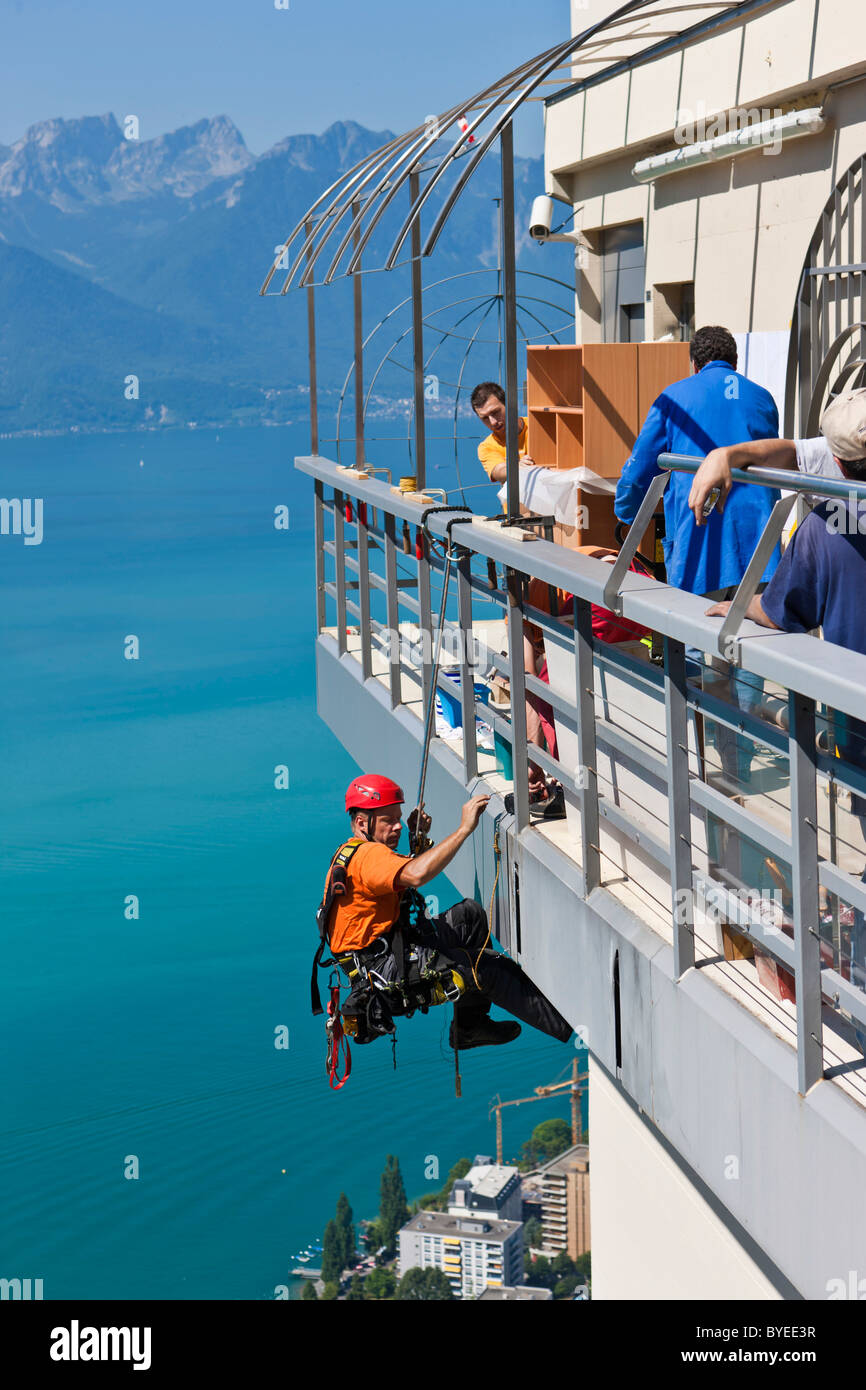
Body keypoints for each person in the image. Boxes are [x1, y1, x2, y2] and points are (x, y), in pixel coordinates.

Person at [704, 389, 866, 994]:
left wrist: (733, 607)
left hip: (857, 718)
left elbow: (782, 612)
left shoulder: (825, 529)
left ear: (839, 464)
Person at [615, 325, 782, 786]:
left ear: (693, 362)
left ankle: (698, 762)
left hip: (700, 545)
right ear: (734, 362)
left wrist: (627, 513)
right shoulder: (761, 397)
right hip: (760, 543)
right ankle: (739, 760)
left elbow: (640, 469)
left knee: (692, 645)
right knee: (747, 648)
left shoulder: (674, 397)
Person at [319, 775, 572, 1050]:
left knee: (469, 917)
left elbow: (395, 878)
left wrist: (420, 842)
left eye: (398, 819)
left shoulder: (354, 853)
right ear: (361, 823)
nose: (397, 827)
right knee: (489, 968)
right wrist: (464, 829)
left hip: (383, 955)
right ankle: (571, 1027)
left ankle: (469, 1026)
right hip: (386, 973)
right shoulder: (369, 857)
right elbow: (415, 875)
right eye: (387, 821)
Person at [685, 385, 866, 523]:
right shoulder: (841, 452)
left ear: (838, 462)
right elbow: (791, 453)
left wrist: (725, 455)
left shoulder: (820, 530)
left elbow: (791, 454)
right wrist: (725, 455)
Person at [471, 381, 534, 483]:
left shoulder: (537, 426)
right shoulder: (487, 446)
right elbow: (498, 471)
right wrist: (516, 468)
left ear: (509, 404)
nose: (493, 422)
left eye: (495, 412)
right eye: (485, 418)